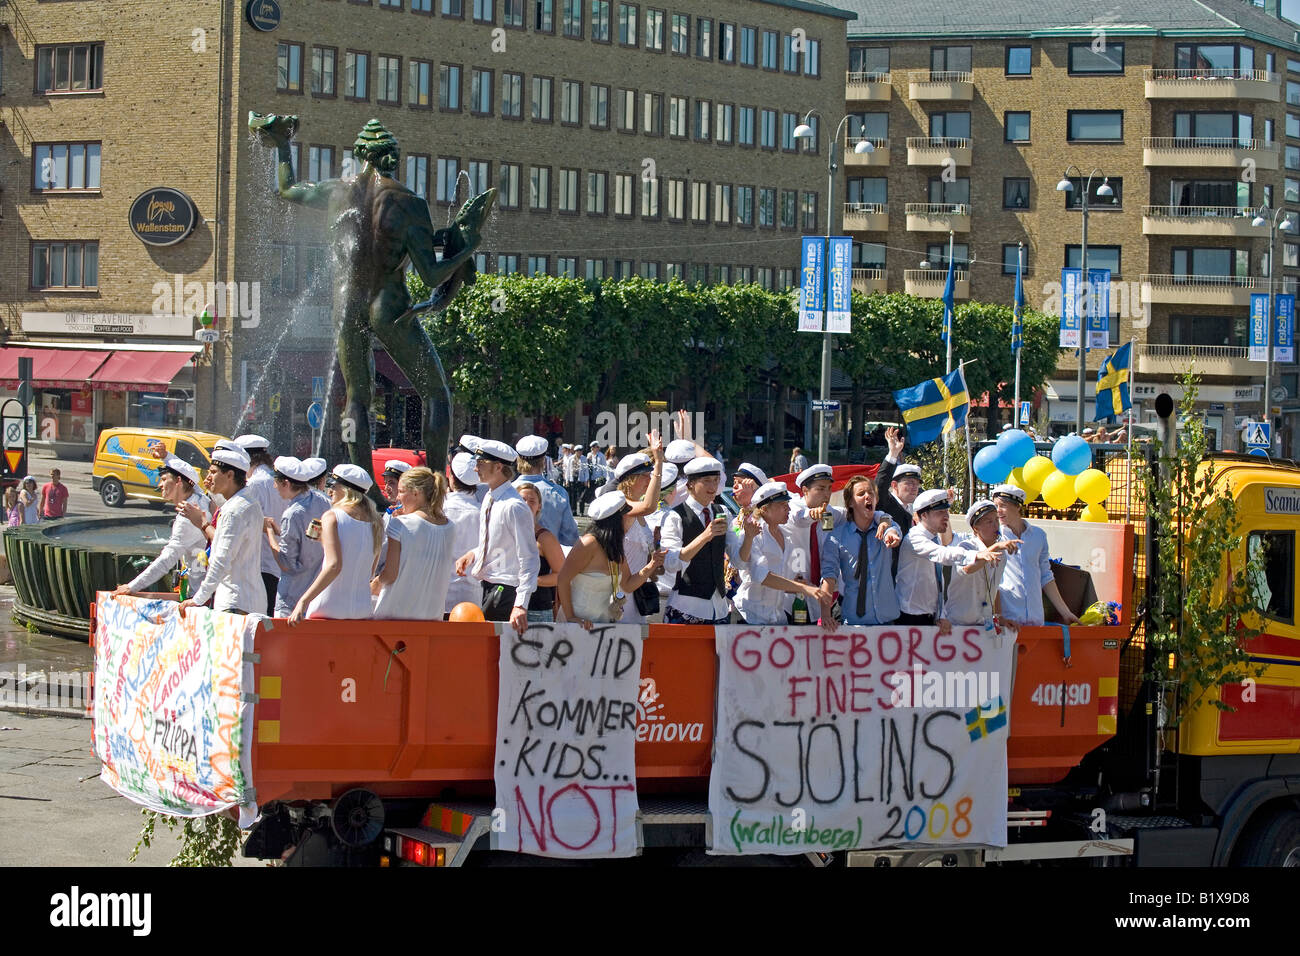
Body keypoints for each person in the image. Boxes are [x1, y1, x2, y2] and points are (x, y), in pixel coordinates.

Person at [453, 439, 539, 634]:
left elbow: (530, 558)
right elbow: (496, 542)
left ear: (498, 467)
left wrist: (521, 604)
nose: (475, 469)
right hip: (489, 584)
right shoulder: (491, 497)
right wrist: (473, 554)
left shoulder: (514, 506)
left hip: (505, 589)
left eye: (481, 463)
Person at [895, 489, 1005, 627]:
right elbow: (943, 554)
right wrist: (976, 554)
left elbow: (938, 585)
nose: (946, 516)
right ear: (924, 515)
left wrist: (941, 615)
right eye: (940, 512)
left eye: (946, 511)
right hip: (909, 616)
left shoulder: (935, 538)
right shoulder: (915, 538)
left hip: (928, 616)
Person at [289, 464, 384, 623]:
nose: (329, 490)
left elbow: (334, 566)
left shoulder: (332, 516)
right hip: (361, 608)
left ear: (347, 490)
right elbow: (369, 572)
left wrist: (303, 601)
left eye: (333, 485)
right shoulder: (377, 522)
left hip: (329, 606)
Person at [557, 490, 664, 629]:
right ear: (617, 519)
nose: (631, 518)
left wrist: (652, 564)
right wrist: (571, 617)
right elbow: (562, 579)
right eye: (628, 515)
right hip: (576, 625)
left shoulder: (615, 546)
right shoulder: (589, 543)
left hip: (603, 625)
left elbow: (627, 585)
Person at [179, 446, 265, 616]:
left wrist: (198, 599)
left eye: (213, 472)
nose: (208, 477)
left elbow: (221, 561)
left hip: (234, 602)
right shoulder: (249, 503)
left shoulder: (233, 510)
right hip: (251, 599)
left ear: (230, 475)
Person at [737, 482, 833, 625]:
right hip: (751, 615)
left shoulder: (786, 535)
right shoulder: (754, 534)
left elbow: (783, 576)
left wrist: (797, 584)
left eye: (787, 504)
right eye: (782, 505)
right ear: (764, 509)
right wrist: (804, 588)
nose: (788, 508)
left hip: (777, 616)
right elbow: (762, 577)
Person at [114, 457, 210, 599]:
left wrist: (132, 586)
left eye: (164, 479)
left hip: (200, 596)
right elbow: (192, 481)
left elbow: (167, 559)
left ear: (178, 481)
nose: (160, 485)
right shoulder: (200, 500)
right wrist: (166, 455)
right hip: (203, 591)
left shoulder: (187, 517)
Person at [372, 466, 455, 620]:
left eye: (402, 491)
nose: (398, 497)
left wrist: (372, 585)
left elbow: (389, 574)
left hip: (394, 614)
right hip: (432, 616)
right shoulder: (450, 527)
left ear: (416, 493)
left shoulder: (400, 524)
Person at [819, 476, 903, 626]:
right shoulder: (836, 537)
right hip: (853, 621)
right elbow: (829, 575)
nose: (867, 496)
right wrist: (825, 614)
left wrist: (891, 533)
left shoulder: (884, 526)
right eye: (861, 493)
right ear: (850, 502)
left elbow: (894, 529)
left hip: (887, 620)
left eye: (871, 493)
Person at [993, 484, 1080, 627]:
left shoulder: (1038, 536)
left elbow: (1046, 576)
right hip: (1008, 621)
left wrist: (1065, 612)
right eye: (995, 506)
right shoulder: (995, 537)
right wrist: (999, 616)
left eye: (1002, 506)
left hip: (1035, 619)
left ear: (1018, 507)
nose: (998, 511)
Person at [660, 457, 733, 625]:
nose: (713, 487)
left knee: (717, 652)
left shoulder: (722, 511)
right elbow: (671, 563)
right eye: (706, 481)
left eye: (716, 481)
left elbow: (738, 558)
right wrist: (704, 536)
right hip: (686, 607)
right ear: (690, 484)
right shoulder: (674, 516)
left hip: (719, 608)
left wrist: (749, 536)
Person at [609, 437, 667, 623]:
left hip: (637, 592)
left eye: (650, 475)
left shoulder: (637, 508)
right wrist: (658, 463)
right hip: (619, 594)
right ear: (630, 479)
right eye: (645, 476)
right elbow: (650, 506)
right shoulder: (620, 504)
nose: (649, 480)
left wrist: (655, 548)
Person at [265, 456, 329, 617]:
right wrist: (281, 531)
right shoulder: (323, 501)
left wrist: (270, 533)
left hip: (291, 598)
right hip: (316, 597)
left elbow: (286, 563)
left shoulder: (292, 514)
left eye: (276, 482)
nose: (274, 486)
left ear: (286, 483)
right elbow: (309, 538)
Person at [943, 499, 1018, 631]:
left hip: (983, 625)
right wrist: (994, 548)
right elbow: (967, 569)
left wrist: (999, 617)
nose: (995, 525)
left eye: (996, 520)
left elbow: (994, 588)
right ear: (976, 528)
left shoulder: (1000, 551)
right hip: (959, 624)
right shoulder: (966, 546)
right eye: (989, 522)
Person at [235, 434, 284, 615]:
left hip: (261, 562)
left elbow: (247, 520)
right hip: (278, 561)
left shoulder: (255, 483)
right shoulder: (275, 478)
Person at [512, 479, 566, 624]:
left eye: (532, 501)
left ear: (539, 507)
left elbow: (562, 575)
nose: (527, 504)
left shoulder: (545, 538)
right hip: (507, 605)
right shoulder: (506, 532)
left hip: (536, 610)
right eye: (522, 499)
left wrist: (531, 582)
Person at [515, 434, 580, 546]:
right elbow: (570, 538)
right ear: (543, 461)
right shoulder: (558, 493)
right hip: (549, 559)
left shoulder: (507, 490)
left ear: (518, 460)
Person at [444, 452, 483, 615]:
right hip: (473, 596)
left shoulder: (440, 510)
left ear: (451, 477)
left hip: (441, 595)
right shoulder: (484, 512)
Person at [875, 427, 921, 532]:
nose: (914, 488)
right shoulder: (886, 502)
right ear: (894, 485)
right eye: (910, 483)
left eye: (917, 484)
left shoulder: (913, 508)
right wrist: (893, 454)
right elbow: (879, 486)